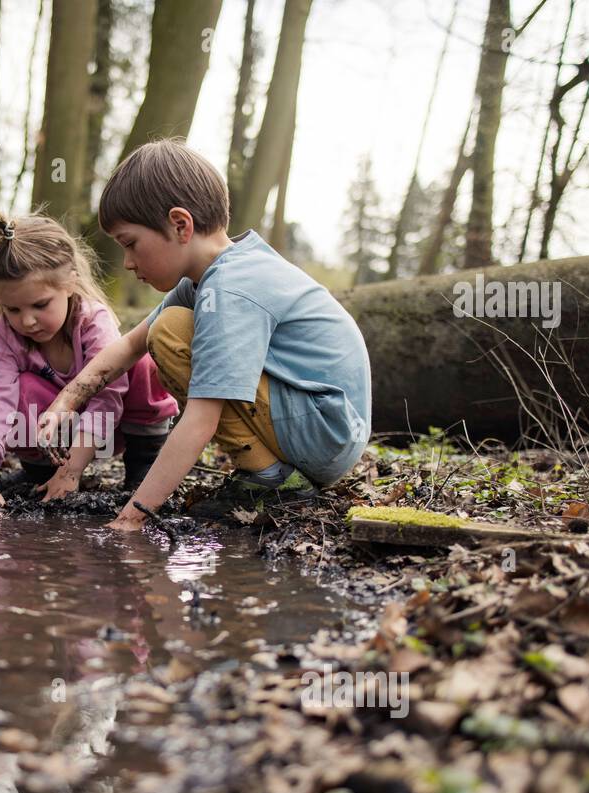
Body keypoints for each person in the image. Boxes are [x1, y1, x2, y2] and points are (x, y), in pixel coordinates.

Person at [37, 138, 372, 531]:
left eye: (131, 244)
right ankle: (272, 474)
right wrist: (66, 401)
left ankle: (273, 482)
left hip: (323, 432)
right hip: (323, 427)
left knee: (170, 333)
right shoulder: (211, 275)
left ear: (180, 225)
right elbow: (129, 345)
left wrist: (131, 519)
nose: (127, 262)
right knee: (165, 329)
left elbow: (200, 420)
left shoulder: (229, 288)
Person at [0, 209, 177, 506]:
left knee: (139, 362)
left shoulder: (92, 321)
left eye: (40, 305)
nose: (27, 321)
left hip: (113, 428)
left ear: (70, 284)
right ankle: (39, 473)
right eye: (13, 309)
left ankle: (142, 468)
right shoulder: (5, 336)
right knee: (22, 386)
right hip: (49, 441)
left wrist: (71, 471)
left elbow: (107, 397)